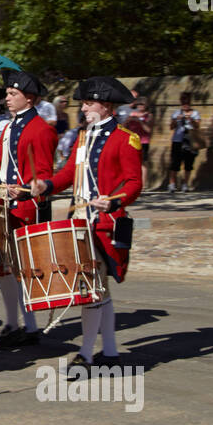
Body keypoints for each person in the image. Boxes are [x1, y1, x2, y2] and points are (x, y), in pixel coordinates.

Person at [30, 76, 143, 367]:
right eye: (83, 103)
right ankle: (112, 353)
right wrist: (47, 185)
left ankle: (86, 352)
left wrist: (115, 200)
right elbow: (68, 173)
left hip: (105, 222)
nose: (83, 108)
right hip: (79, 221)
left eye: (88, 103)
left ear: (106, 106)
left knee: (91, 287)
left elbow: (134, 182)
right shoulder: (83, 137)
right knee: (97, 287)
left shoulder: (124, 138)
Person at [0, 71, 58, 350]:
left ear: (29, 98)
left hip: (27, 207)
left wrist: (25, 189)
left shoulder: (42, 129)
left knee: (20, 271)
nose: (6, 97)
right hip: (6, 205)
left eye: (12, 94)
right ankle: (13, 324)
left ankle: (27, 327)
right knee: (4, 270)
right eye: (7, 94)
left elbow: (43, 175)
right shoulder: (9, 128)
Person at [167, 92, 200, 192]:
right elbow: (171, 127)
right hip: (178, 140)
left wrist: (190, 119)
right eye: (183, 101)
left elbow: (197, 126)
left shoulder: (195, 113)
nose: (185, 104)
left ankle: (185, 184)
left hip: (190, 141)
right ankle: (172, 184)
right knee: (175, 163)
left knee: (188, 164)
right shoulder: (177, 113)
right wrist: (176, 120)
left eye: (187, 101)